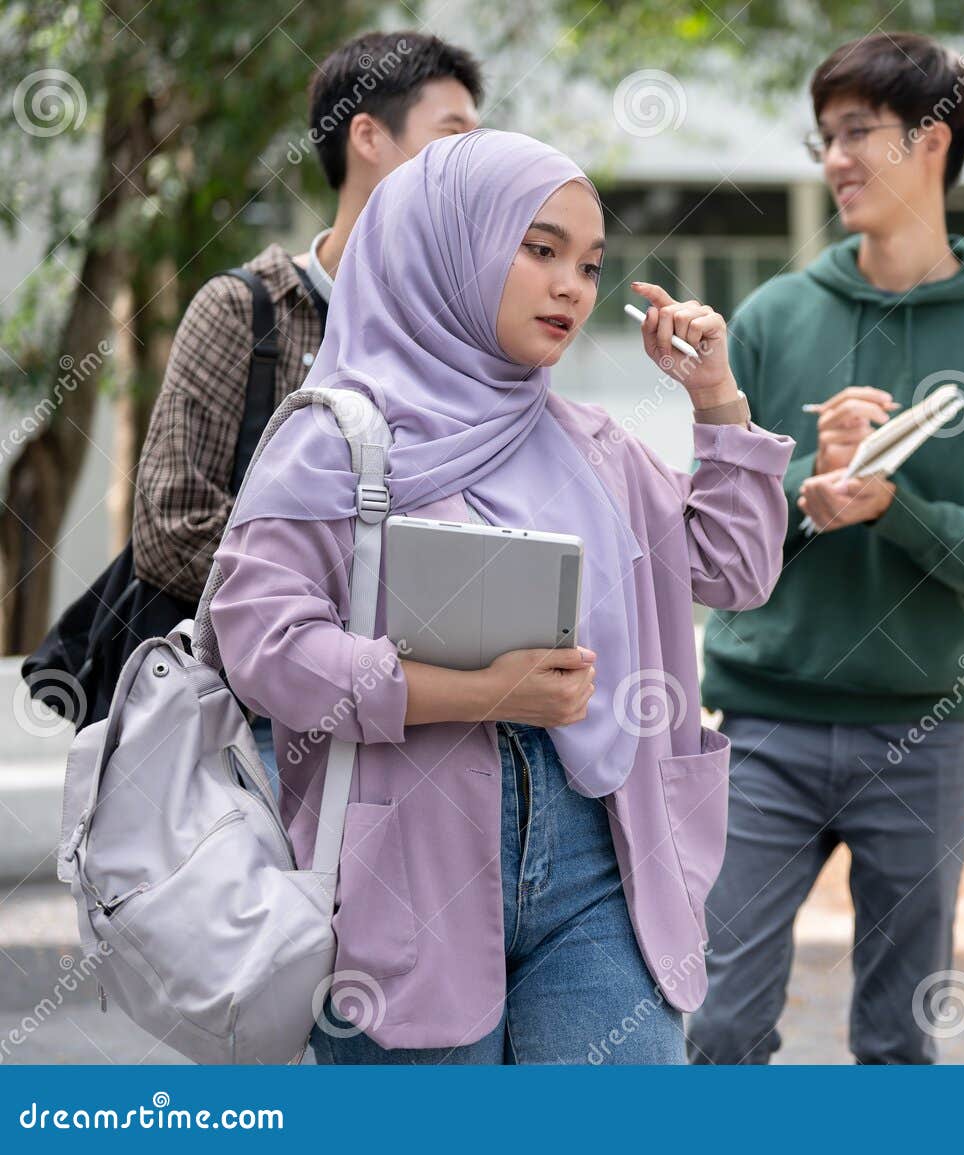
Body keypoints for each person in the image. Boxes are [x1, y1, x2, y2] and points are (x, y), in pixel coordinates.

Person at [205, 129, 794, 1063]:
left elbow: (734, 566)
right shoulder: (337, 443)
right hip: (403, 872)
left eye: (591, 264)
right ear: (447, 248)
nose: (571, 285)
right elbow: (268, 651)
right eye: (541, 248)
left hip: (601, 862)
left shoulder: (592, 443)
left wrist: (716, 398)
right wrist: (486, 693)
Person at [687, 32, 964, 1065]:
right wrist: (808, 497)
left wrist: (891, 507)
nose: (835, 160)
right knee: (716, 1028)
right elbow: (717, 538)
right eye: (825, 137)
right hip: (762, 724)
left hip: (925, 732)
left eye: (859, 132)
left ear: (932, 141)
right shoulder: (772, 318)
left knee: (899, 1042)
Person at [132, 30, 483, 794]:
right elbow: (169, 523)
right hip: (259, 728)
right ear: (368, 136)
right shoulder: (248, 312)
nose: (472, 164)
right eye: (452, 135)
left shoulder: (468, 332)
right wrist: (316, 609)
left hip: (424, 732)